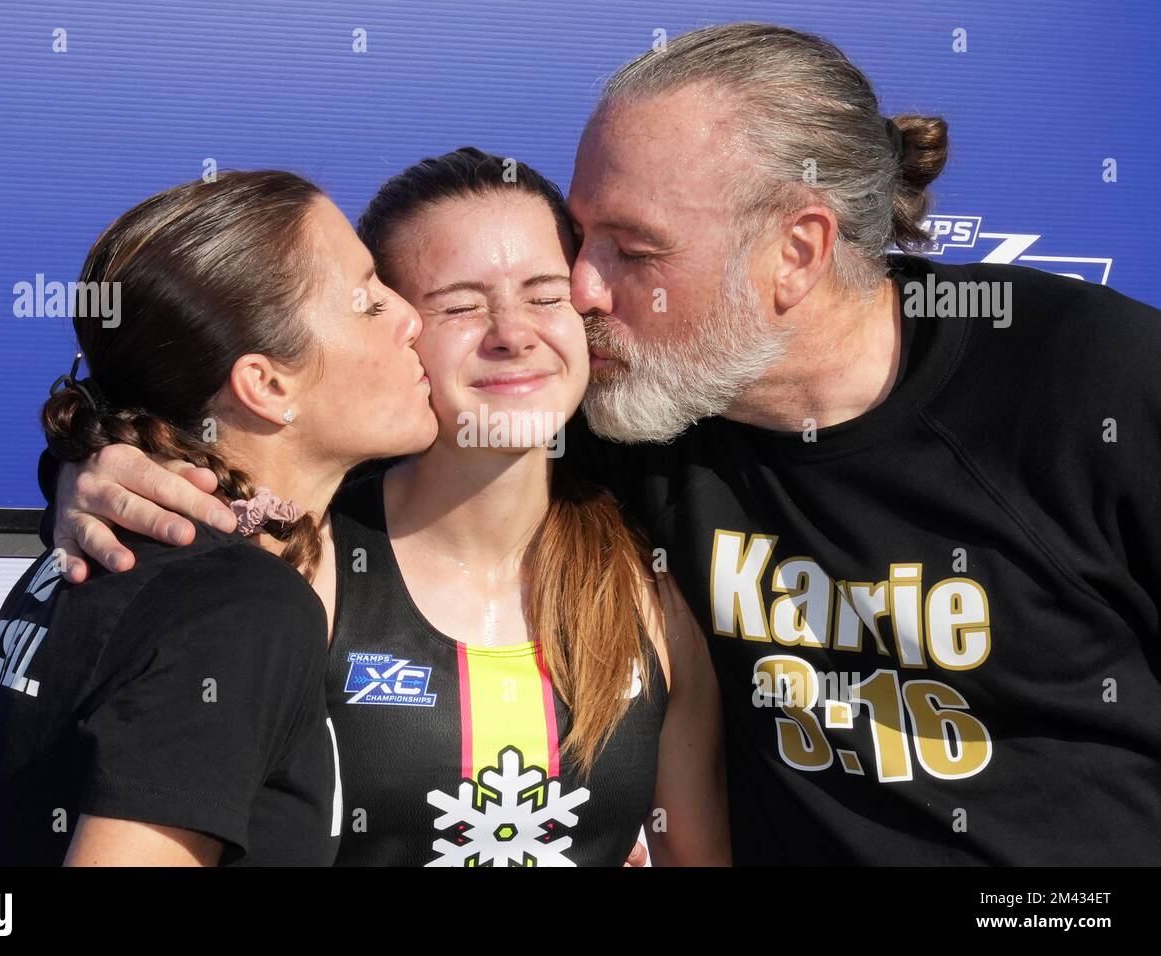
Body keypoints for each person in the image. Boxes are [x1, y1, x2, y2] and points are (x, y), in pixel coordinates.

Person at [39, 23, 1161, 865]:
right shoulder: (627, 404)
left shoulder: (1090, 385)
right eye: (583, 239)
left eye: (630, 249)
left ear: (796, 251)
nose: (576, 296)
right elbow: (285, 423)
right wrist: (110, 467)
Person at [37, 150, 731, 867]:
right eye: (459, 304)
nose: (512, 331)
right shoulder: (298, 566)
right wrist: (85, 464)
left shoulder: (652, 581)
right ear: (397, 329)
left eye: (545, 294)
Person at [0, 170, 438, 865]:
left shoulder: (91, 557)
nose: (409, 316)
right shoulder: (241, 608)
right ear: (267, 385)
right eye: (367, 302)